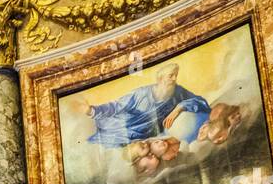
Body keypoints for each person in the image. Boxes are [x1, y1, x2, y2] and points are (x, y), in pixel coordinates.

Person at [72, 63, 210, 147]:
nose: (174, 79)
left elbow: (200, 101)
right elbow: (116, 106)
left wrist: (180, 107)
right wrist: (91, 110)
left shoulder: (177, 92)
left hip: (147, 136)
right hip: (120, 131)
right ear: (160, 79)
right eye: (171, 75)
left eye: (176, 75)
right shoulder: (141, 94)